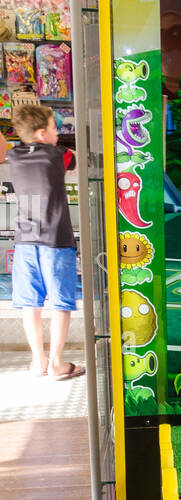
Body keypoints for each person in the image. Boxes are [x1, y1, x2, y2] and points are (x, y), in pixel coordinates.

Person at [7, 103, 83, 379]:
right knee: (61, 303)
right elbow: (77, 159)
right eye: (54, 129)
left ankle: (38, 361)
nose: (57, 134)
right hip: (56, 240)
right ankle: (57, 363)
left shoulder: (14, 155)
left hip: (25, 241)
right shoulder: (56, 155)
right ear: (41, 134)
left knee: (31, 304)